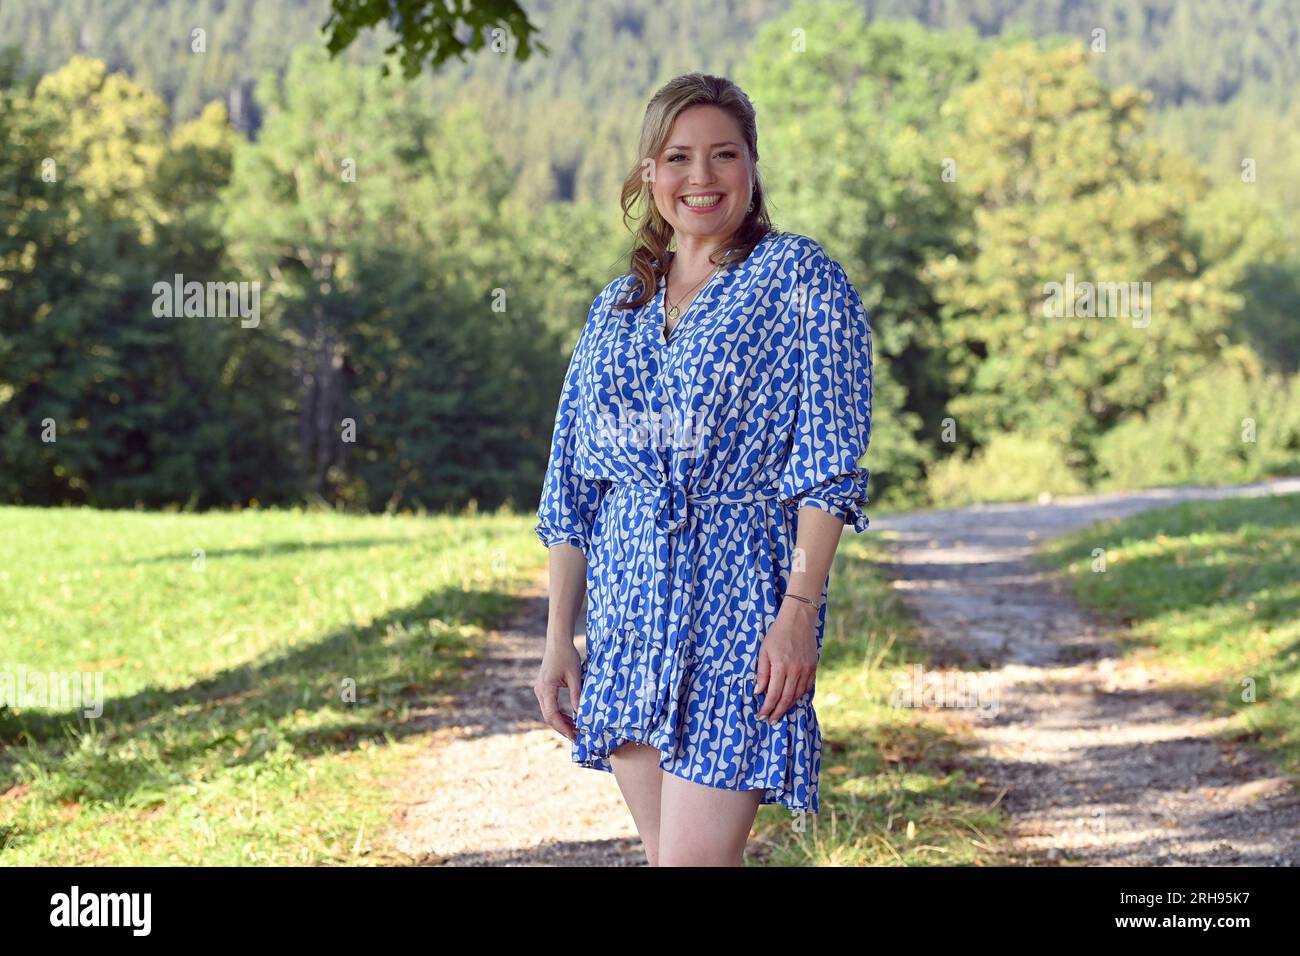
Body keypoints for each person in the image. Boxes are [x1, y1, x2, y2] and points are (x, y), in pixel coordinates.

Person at [532, 73, 873, 866]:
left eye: (724, 154)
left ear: (752, 167)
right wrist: (559, 640)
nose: (702, 176)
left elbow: (827, 462)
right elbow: (572, 490)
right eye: (679, 157)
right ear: (650, 173)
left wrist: (798, 612)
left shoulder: (798, 279)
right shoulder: (616, 308)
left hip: (740, 611)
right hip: (628, 620)